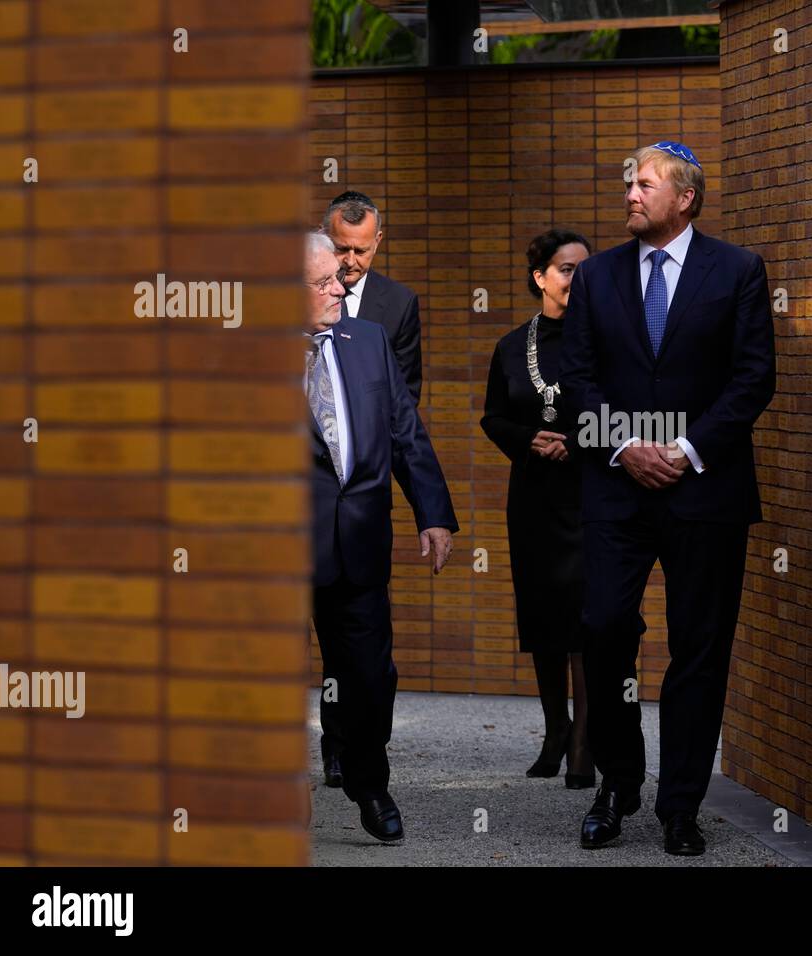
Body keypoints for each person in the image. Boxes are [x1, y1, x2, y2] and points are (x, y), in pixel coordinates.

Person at [559, 142, 776, 856]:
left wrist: (682, 451)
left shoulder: (738, 272)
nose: (629, 194)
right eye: (628, 183)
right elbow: (579, 381)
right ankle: (619, 784)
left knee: (700, 649)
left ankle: (680, 806)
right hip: (617, 490)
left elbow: (752, 380)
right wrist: (628, 448)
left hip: (705, 492)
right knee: (605, 627)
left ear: (685, 197)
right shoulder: (593, 278)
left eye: (643, 184)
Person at [303, 231, 457, 843]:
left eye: (337, 278)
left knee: (369, 676)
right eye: (321, 283)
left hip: (359, 542)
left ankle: (370, 784)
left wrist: (434, 512)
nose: (339, 287)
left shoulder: (366, 340)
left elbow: (404, 430)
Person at [480, 229, 594, 789]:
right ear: (540, 277)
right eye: (567, 268)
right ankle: (555, 727)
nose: (577, 278)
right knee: (544, 616)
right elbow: (493, 417)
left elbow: (627, 408)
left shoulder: (603, 339)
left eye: (584, 269)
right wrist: (530, 439)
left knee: (584, 622)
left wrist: (578, 439)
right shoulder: (509, 346)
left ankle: (584, 740)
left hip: (590, 496)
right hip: (532, 500)